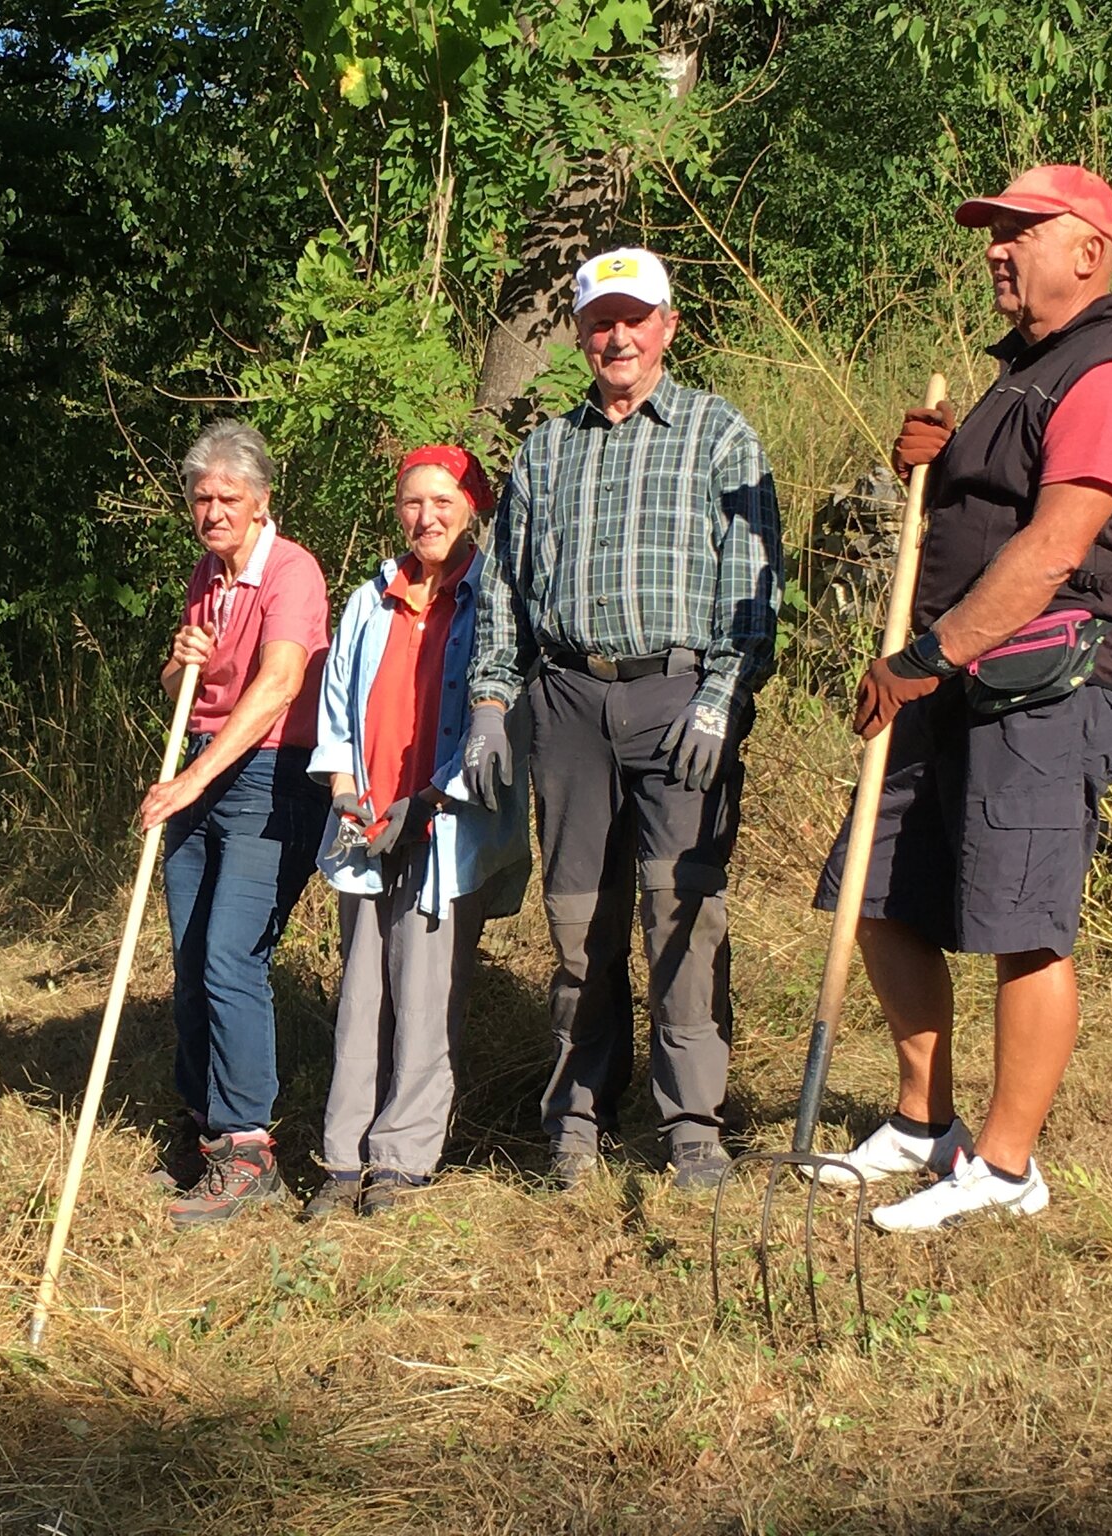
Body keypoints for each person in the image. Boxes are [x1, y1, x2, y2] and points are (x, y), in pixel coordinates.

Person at [812, 165, 1112, 1232]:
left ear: (1087, 251)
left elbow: (1053, 546)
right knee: (875, 891)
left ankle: (1005, 1167)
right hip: (953, 677)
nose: (993, 248)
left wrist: (925, 655)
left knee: (1024, 921)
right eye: (990, 231)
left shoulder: (1110, 375)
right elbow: (984, 501)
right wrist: (929, 454)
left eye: (1018, 230)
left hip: (1043, 681)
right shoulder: (1025, 370)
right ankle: (923, 1122)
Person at [465, 247, 783, 1193]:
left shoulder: (718, 435)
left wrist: (724, 697)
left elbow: (756, 587)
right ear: (578, 333)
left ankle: (692, 1122)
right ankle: (575, 1114)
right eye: (600, 319)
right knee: (578, 923)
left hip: (677, 699)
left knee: (681, 914)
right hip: (565, 704)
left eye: (634, 317)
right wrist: (490, 705)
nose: (617, 336)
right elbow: (504, 593)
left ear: (667, 326)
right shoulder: (546, 450)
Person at [303, 446, 530, 1219]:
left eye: (443, 501)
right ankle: (342, 1160)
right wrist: (344, 793)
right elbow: (338, 706)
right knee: (361, 993)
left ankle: (401, 1160)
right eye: (412, 503)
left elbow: (500, 721)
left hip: (442, 824)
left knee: (427, 996)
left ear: (472, 506)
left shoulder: (492, 600)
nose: (426, 517)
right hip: (365, 823)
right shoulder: (371, 598)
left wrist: (431, 801)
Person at [138, 420, 331, 1227]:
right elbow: (179, 681)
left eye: (228, 498)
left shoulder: (292, 572)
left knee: (229, 957)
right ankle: (202, 1129)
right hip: (206, 760)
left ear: (262, 502)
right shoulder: (206, 575)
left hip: (271, 774)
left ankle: (248, 1152)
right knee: (189, 959)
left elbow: (279, 685)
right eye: (200, 497)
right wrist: (178, 661)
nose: (212, 510)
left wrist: (189, 782)